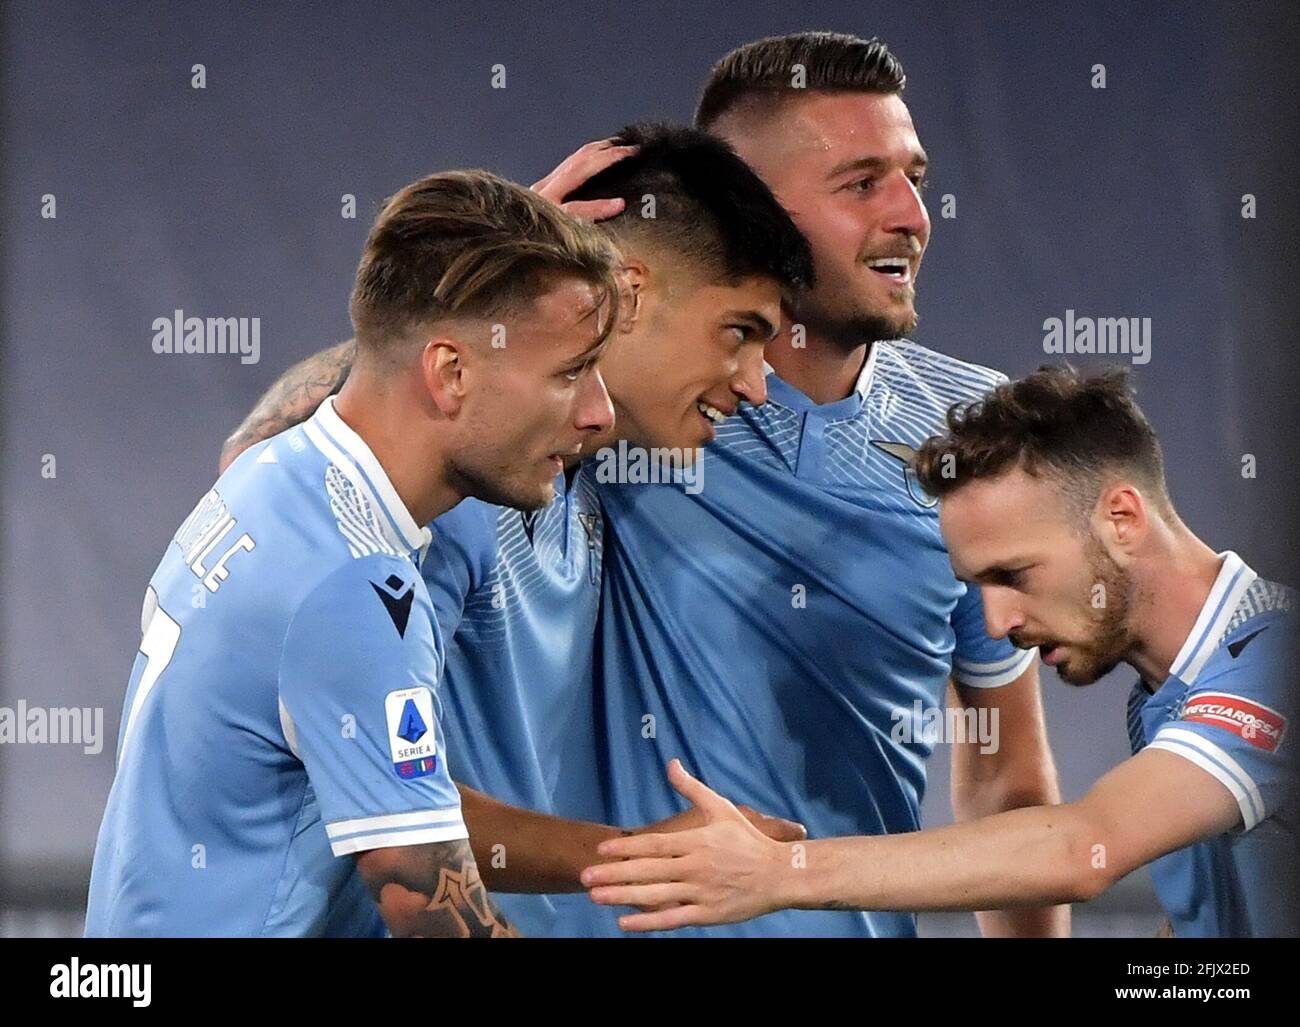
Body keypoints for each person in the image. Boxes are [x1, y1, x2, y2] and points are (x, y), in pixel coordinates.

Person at [215, 123, 816, 935]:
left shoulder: (579, 472)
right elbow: (258, 473)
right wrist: (469, 298)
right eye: (739, 334)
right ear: (630, 294)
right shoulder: (447, 498)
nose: (757, 386)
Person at [86, 169, 623, 936]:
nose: (600, 412)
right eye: (570, 372)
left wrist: (630, 854)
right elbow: (434, 914)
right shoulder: (359, 588)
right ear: (451, 373)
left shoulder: (275, 474)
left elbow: (406, 812)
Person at [584, 365, 1298, 939]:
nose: (998, 619)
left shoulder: (1274, 663)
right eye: (976, 585)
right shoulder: (1171, 693)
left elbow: (1080, 848)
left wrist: (778, 872)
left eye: (1013, 575)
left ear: (1121, 518)